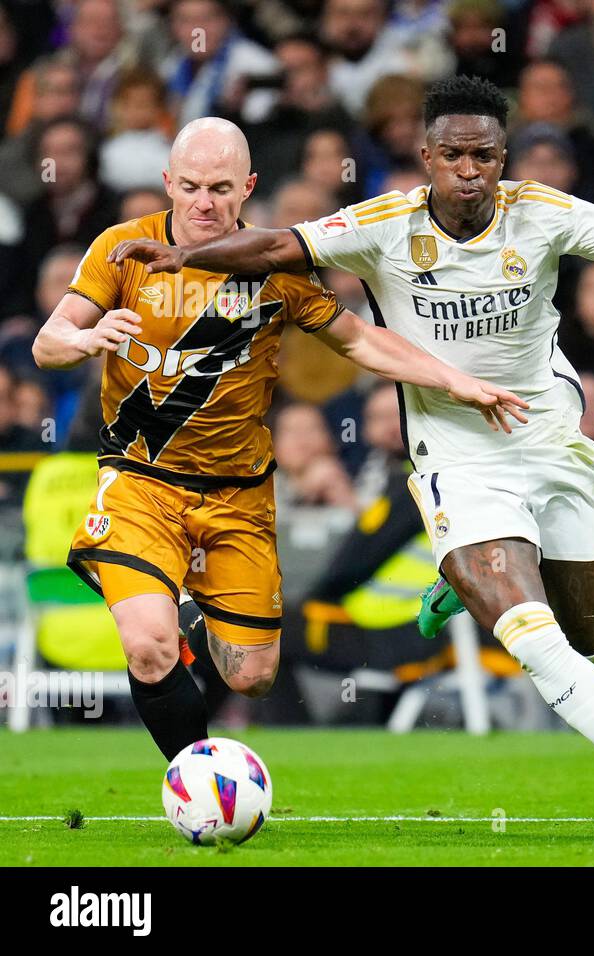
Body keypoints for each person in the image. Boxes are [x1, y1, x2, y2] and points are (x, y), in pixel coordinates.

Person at [113, 76, 594, 833]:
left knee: (592, 638)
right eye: (453, 154)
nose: (470, 170)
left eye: (485, 155)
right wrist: (180, 257)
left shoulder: (544, 214)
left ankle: (463, 576)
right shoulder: (382, 224)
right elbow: (275, 246)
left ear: (504, 157)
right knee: (534, 638)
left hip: (551, 438)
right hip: (455, 454)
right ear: (426, 156)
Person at [32, 117, 526, 765]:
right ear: (167, 184)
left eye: (220, 187)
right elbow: (47, 342)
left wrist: (455, 381)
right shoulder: (123, 248)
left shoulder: (273, 264)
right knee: (148, 646)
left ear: (248, 187)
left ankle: (196, 611)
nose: (204, 201)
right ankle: (198, 781)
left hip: (238, 496)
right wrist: (83, 341)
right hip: (138, 484)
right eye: (190, 186)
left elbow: (358, 340)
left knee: (252, 673)